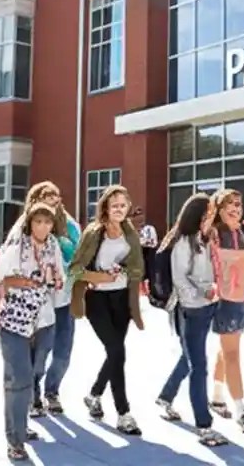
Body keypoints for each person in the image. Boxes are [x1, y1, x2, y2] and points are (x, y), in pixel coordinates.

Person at [154, 193, 229, 447]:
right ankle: (204, 426)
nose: (212, 216)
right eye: (209, 212)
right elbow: (180, 280)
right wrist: (201, 293)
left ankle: (165, 396)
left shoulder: (206, 240)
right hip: (190, 309)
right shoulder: (184, 243)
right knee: (199, 366)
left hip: (208, 306)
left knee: (189, 358)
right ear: (197, 215)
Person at [70, 184, 145, 435]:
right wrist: (97, 276)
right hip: (97, 299)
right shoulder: (93, 233)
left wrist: (123, 270)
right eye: (115, 205)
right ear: (105, 207)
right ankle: (124, 413)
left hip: (123, 298)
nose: (119, 210)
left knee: (115, 352)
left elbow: (137, 267)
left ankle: (94, 394)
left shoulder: (129, 233)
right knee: (116, 351)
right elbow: (75, 269)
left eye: (123, 205)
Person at [4, 182, 82, 417]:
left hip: (64, 296)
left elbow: (81, 254)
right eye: (45, 196)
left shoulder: (69, 226)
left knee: (63, 351)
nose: (52, 200)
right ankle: (33, 394)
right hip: (34, 300)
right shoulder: (23, 227)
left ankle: (52, 391)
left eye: (55, 196)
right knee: (38, 351)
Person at [0, 202, 64, 462]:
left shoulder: (53, 246)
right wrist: (18, 281)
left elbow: (60, 277)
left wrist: (56, 278)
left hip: (42, 321)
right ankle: (15, 439)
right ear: (29, 223)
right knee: (18, 379)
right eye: (39, 221)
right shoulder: (16, 247)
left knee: (31, 375)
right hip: (14, 323)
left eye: (48, 222)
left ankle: (21, 427)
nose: (44, 227)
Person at [208, 188, 244, 432]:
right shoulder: (213, 234)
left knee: (227, 349)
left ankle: (218, 396)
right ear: (218, 209)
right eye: (229, 204)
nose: (236, 208)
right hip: (223, 300)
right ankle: (241, 409)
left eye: (239, 204)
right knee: (232, 354)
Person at [134, 207, 159, 297]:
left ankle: (151, 293)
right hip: (139, 255)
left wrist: (144, 242)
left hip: (149, 253)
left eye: (141, 215)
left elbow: (154, 242)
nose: (140, 218)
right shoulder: (133, 231)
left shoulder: (149, 229)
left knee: (150, 274)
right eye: (137, 216)